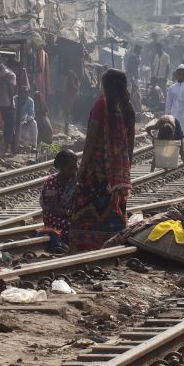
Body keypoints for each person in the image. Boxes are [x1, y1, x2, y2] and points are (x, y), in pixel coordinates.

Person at [62, 69, 136, 249]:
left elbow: (91, 137)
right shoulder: (128, 106)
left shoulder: (100, 105)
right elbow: (131, 140)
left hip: (97, 166)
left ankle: (85, 240)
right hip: (118, 168)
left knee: (86, 200)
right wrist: (126, 165)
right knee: (116, 200)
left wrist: (83, 166)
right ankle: (113, 238)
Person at [39, 148, 78, 246]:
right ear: (61, 168)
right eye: (69, 169)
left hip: (71, 215)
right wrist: (70, 213)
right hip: (54, 218)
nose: (73, 171)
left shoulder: (75, 180)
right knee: (72, 228)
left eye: (75, 167)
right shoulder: (51, 183)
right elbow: (54, 210)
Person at [0, 56, 19, 158]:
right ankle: (7, 147)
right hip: (6, 103)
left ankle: (1, 146)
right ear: (14, 66)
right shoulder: (11, 75)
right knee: (9, 125)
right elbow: (11, 89)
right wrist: (11, 102)